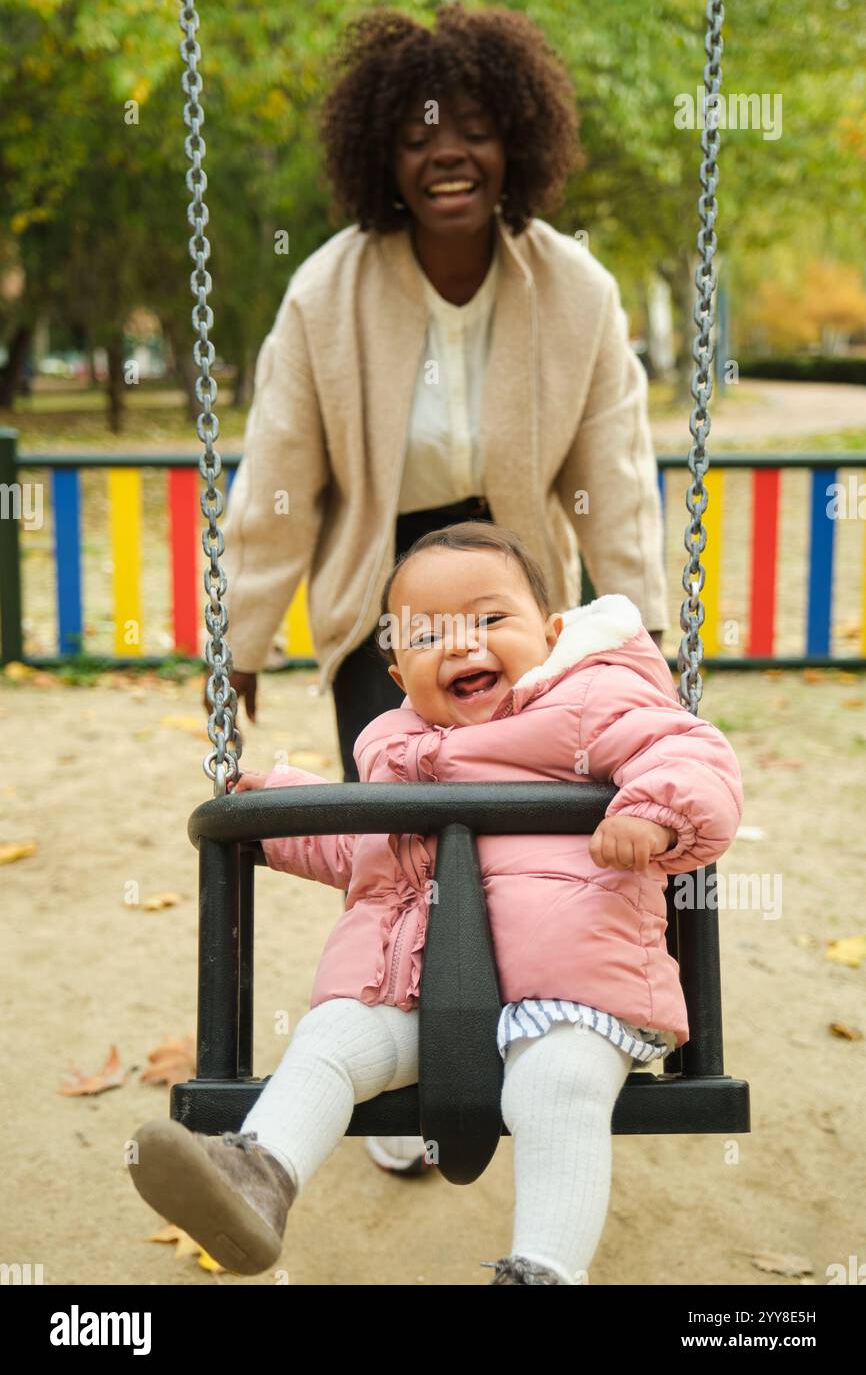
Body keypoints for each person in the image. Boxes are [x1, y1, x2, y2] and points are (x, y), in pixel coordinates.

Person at [208, 5, 671, 1175]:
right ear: (382, 156)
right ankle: (398, 1068)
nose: (446, 151)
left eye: (472, 127)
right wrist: (245, 639)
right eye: (417, 135)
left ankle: (538, 1040)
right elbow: (279, 476)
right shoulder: (328, 291)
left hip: (515, 583)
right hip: (384, 589)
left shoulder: (572, 288)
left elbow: (611, 475)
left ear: (517, 141)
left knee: (532, 834)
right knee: (396, 833)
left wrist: (644, 625)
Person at [136, 523, 743, 1285]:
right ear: (396, 673)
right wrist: (290, 815)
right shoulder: (391, 747)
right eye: (429, 635)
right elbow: (368, 854)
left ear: (551, 634)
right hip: (420, 992)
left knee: (553, 1087)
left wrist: (652, 812)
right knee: (331, 1037)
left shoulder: (591, 700)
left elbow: (694, 756)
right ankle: (258, 1180)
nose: (461, 646)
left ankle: (543, 1271)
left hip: (575, 993)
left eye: (490, 621)